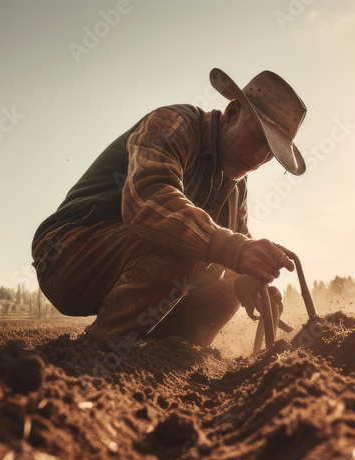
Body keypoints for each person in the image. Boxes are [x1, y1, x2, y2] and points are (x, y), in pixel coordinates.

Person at [30, 68, 307, 346]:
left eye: (272, 153)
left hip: (129, 266)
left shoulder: (236, 185)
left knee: (226, 290)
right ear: (233, 114)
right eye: (259, 138)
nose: (260, 158)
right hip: (67, 253)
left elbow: (238, 241)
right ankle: (99, 351)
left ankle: (166, 354)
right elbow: (148, 199)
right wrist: (236, 250)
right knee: (178, 243)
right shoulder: (173, 124)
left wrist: (249, 279)